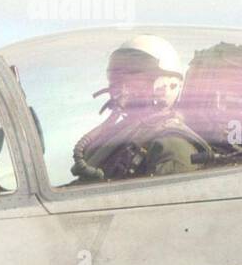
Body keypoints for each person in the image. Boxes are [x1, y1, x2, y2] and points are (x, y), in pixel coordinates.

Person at [71, 34, 211, 182]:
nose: (123, 87)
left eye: (134, 80)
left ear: (168, 84)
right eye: (117, 79)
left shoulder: (172, 145)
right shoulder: (116, 135)